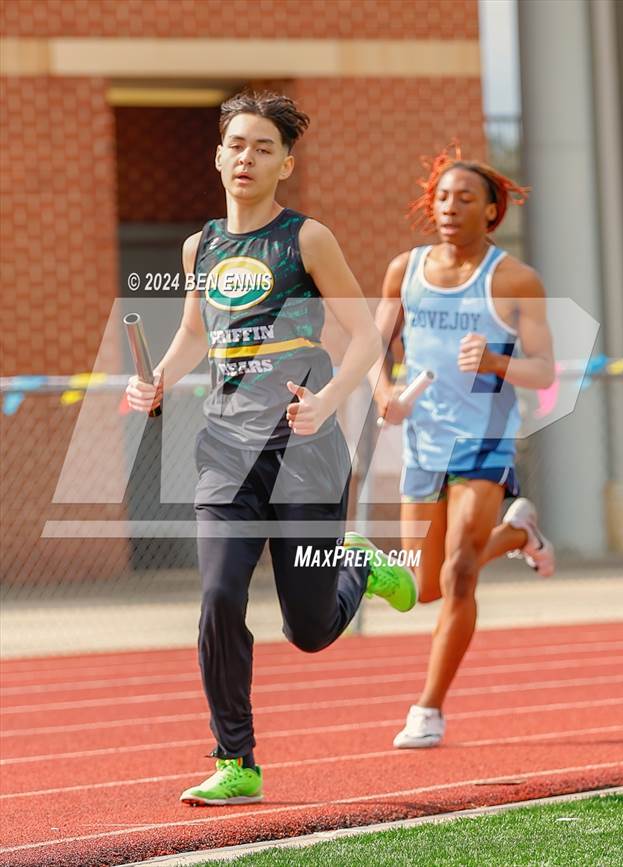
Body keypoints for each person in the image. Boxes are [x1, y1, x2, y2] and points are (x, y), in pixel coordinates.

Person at [126, 91, 417, 805]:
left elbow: (366, 335)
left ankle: (357, 563)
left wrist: (328, 398)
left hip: (304, 450)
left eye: (263, 148)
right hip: (226, 450)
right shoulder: (200, 246)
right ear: (217, 156)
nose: (246, 158)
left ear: (285, 163)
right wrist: (157, 379)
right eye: (236, 145)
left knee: (309, 630)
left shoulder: (307, 238)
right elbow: (195, 332)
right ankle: (236, 758)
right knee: (219, 597)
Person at [372, 144, 555, 749]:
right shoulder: (404, 271)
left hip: (485, 440)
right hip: (424, 441)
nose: (450, 207)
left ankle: (428, 709)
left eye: (465, 198)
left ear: (492, 210)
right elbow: (374, 347)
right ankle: (520, 534)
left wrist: (497, 361)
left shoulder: (514, 279)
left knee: (459, 573)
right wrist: (384, 393)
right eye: (443, 197)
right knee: (421, 586)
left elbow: (544, 370)